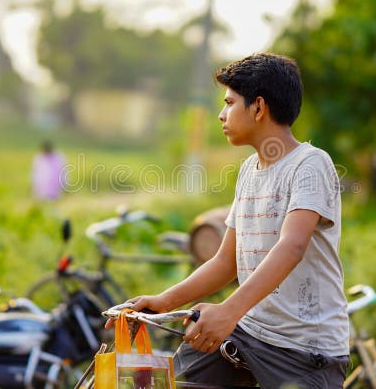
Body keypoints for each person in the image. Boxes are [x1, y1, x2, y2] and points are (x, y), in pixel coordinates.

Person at [125, 53, 349, 388]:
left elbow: (292, 246)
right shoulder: (248, 171)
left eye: (229, 103)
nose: (221, 114)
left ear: (258, 108)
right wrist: (164, 301)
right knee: (174, 380)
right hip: (249, 331)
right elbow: (225, 262)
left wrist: (227, 312)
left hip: (303, 350)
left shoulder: (310, 164)